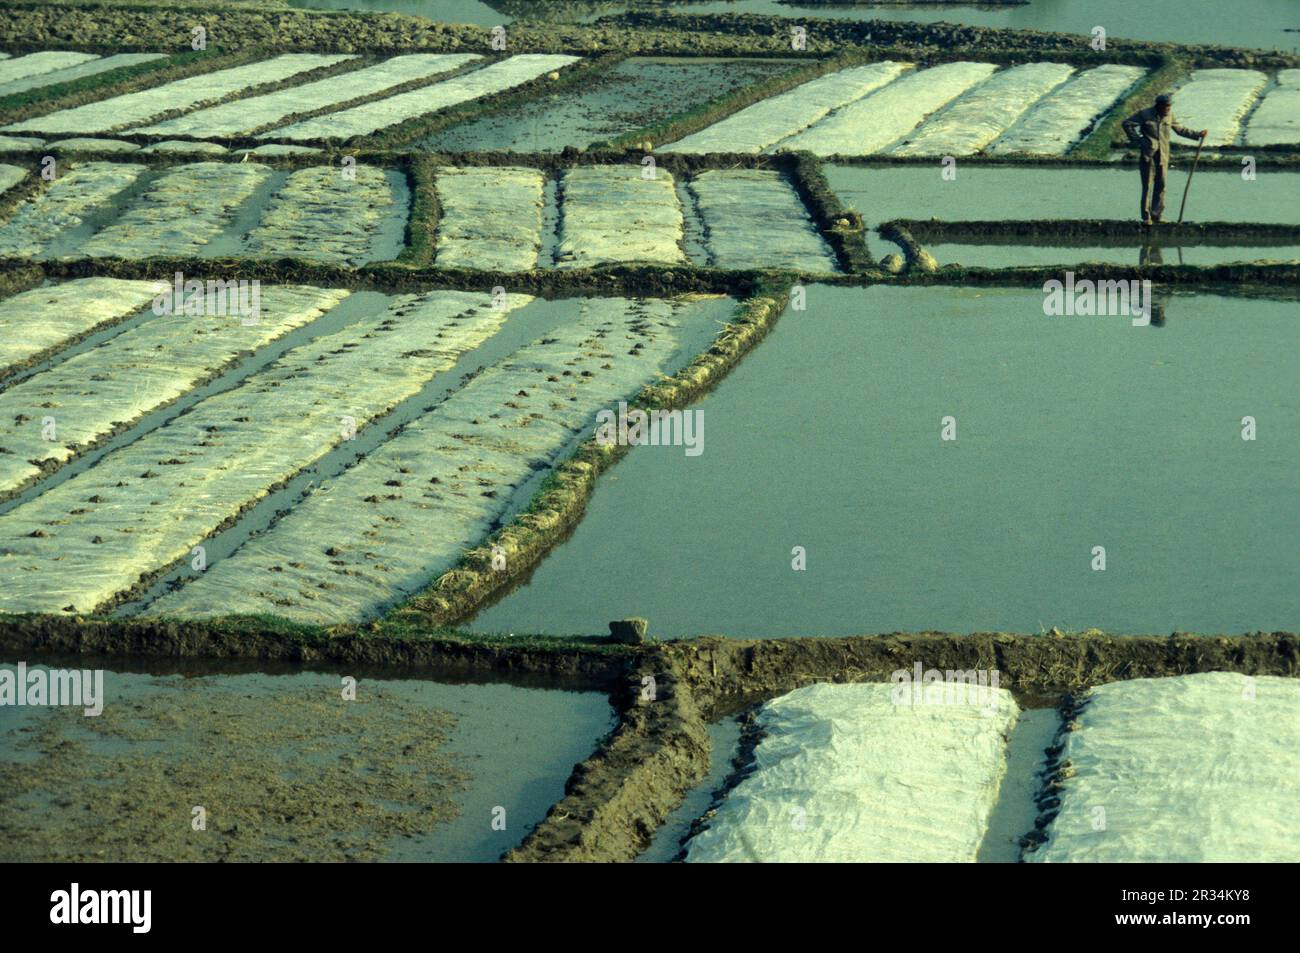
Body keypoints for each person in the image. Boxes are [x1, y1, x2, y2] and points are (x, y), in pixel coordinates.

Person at [1122, 93, 1206, 225]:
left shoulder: (1170, 115)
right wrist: (1138, 140)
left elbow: (1180, 129)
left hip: (1163, 155)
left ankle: (1157, 216)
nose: (1168, 108)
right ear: (1158, 105)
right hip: (1148, 155)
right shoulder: (1145, 114)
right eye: (1166, 106)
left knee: (1161, 186)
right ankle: (1146, 217)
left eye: (1169, 106)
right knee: (1147, 187)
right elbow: (1127, 124)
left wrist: (1197, 134)